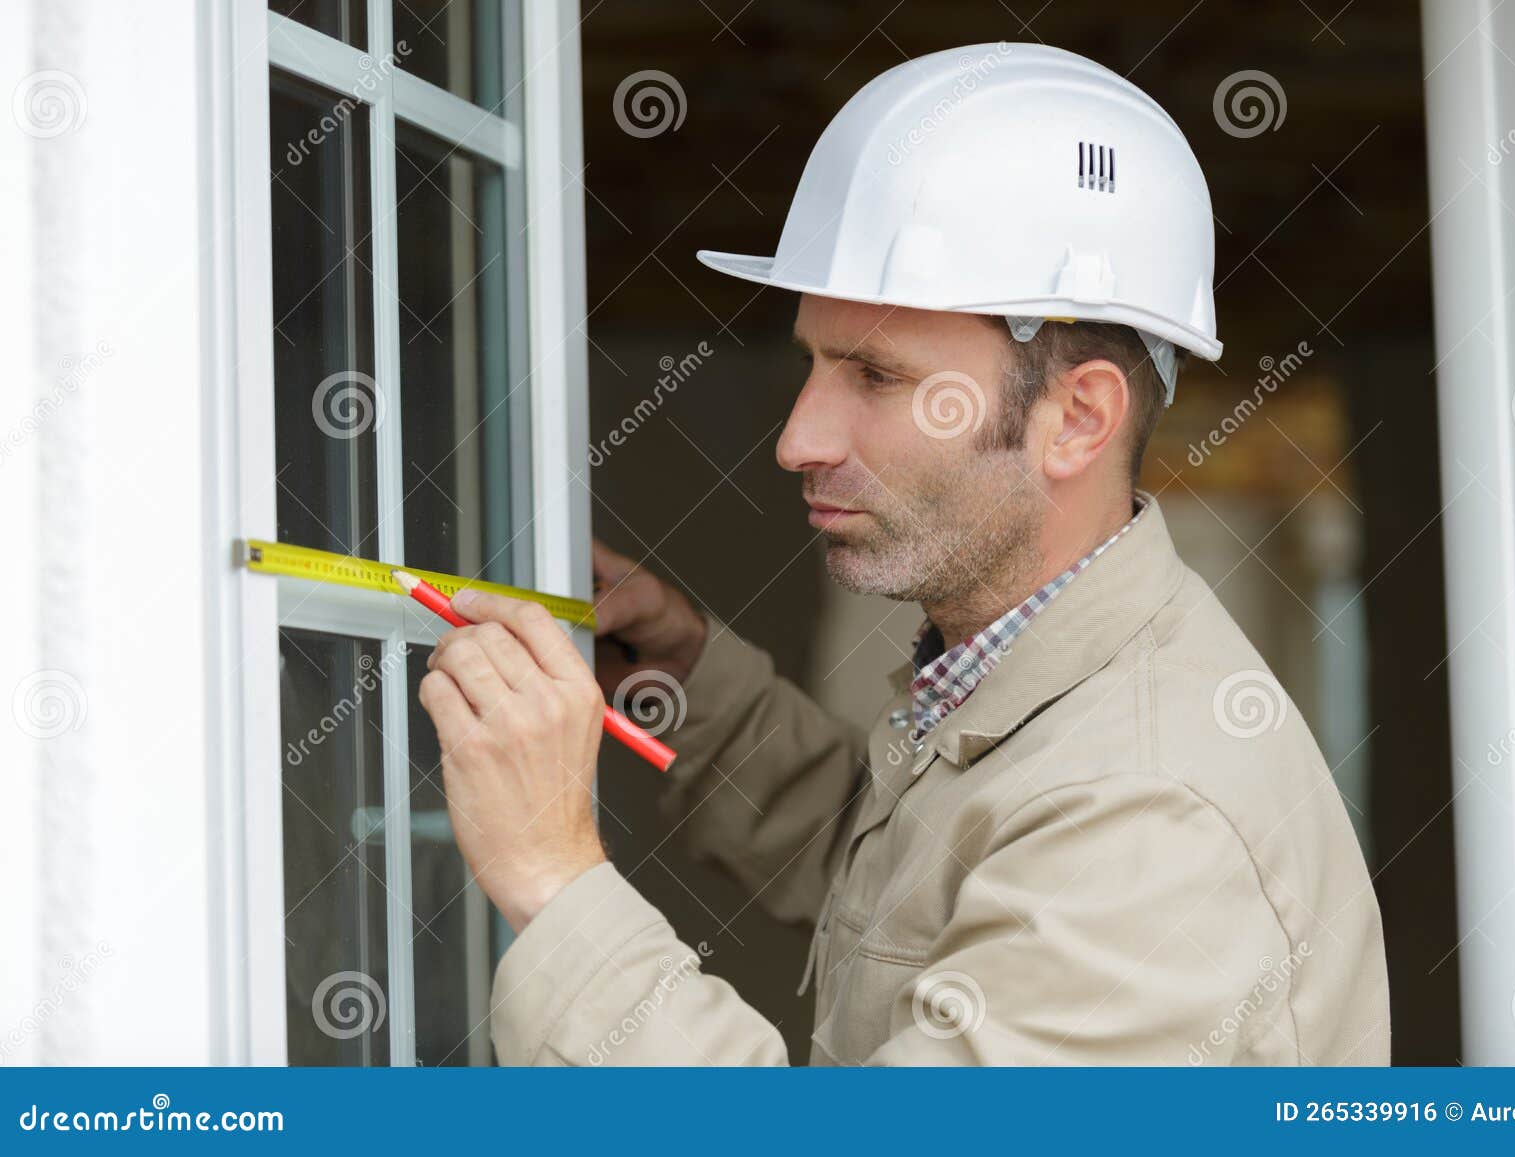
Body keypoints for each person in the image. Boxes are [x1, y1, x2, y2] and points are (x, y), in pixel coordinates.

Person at [415, 42, 1390, 1065]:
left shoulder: (1150, 821)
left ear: (1077, 417)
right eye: (815, 363)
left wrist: (551, 877)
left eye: (875, 374)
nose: (799, 438)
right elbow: (902, 873)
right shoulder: (1030, 679)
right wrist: (689, 680)